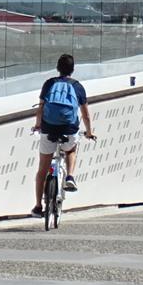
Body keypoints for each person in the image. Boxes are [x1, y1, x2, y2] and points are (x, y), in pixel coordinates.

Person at [31, 53, 95, 217]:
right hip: (69, 128)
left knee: (42, 169)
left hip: (48, 128)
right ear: (72, 70)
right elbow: (85, 115)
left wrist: (38, 125)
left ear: (58, 68)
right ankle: (70, 177)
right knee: (71, 150)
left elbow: (40, 108)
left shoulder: (49, 83)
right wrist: (89, 132)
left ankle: (38, 206)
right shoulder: (77, 86)